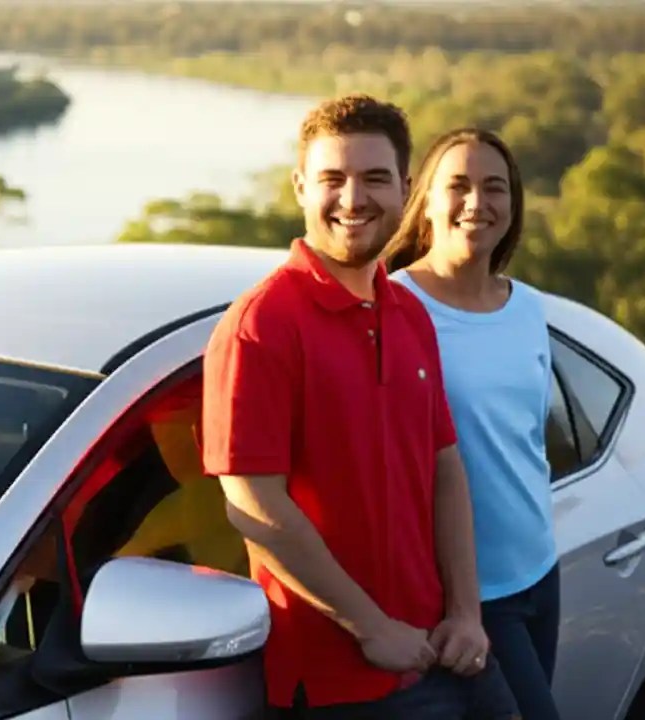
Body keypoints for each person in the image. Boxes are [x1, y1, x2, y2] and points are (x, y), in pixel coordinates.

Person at [201, 94, 520, 719]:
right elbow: (253, 505)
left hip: (446, 650)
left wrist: (465, 613)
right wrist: (370, 627)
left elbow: (444, 469)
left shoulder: (409, 314)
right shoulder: (260, 326)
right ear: (299, 187)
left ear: (405, 188)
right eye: (332, 179)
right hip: (340, 680)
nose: (352, 199)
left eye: (374, 178)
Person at [384, 128, 561, 720]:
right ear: (426, 201)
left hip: (540, 572)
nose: (476, 203)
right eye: (457, 186)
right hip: (465, 597)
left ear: (512, 207)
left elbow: (528, 441)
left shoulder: (529, 309)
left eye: (494, 188)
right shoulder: (395, 308)